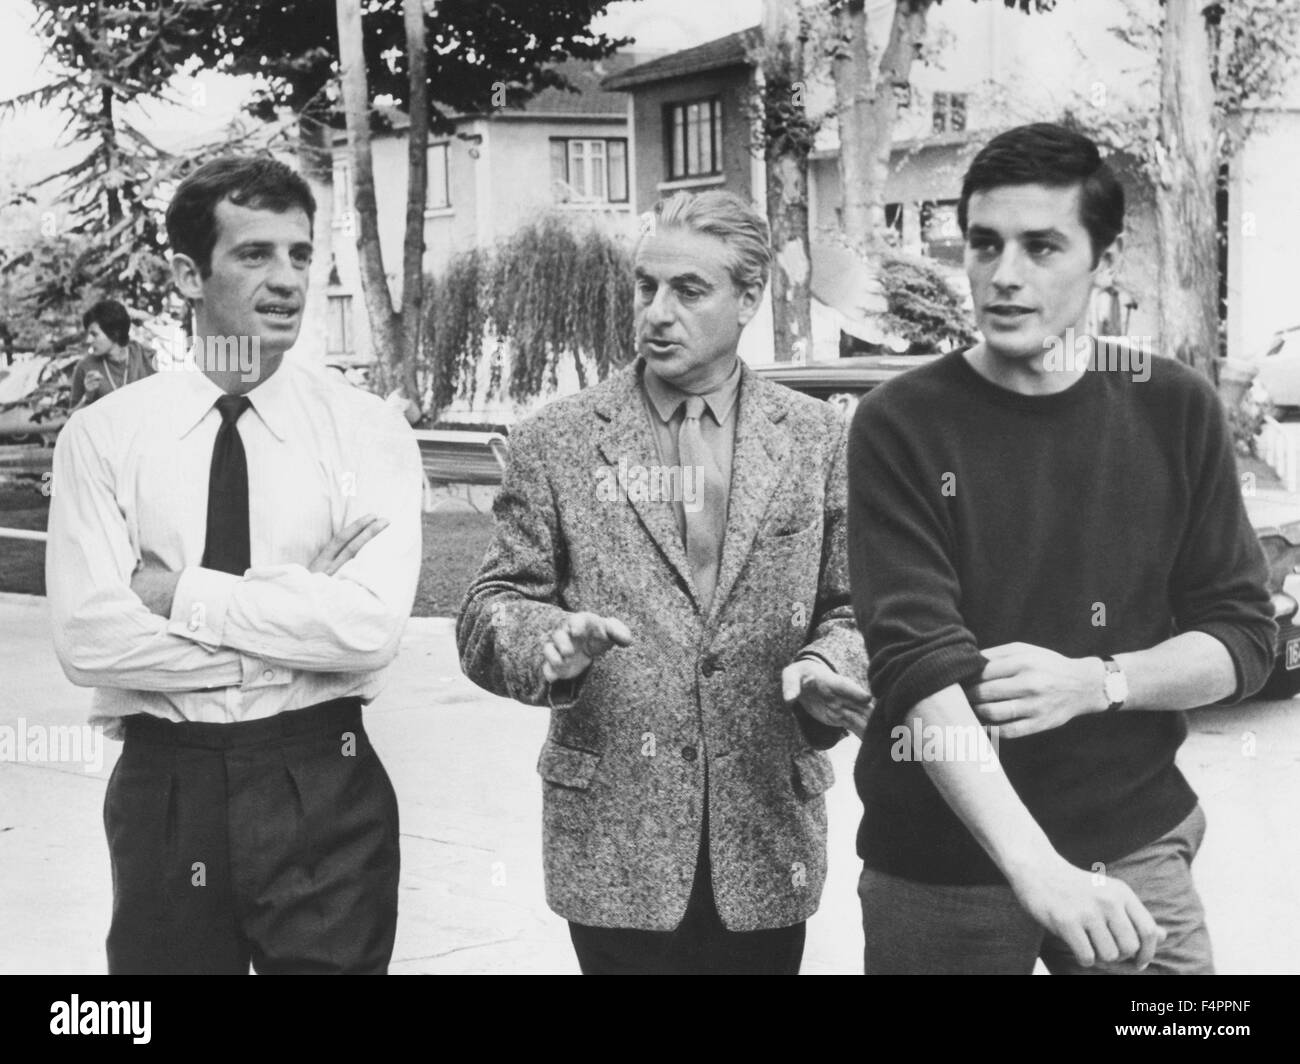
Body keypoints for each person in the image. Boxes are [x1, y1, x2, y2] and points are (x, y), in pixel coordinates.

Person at [846, 123, 1276, 975]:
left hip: (1133, 844)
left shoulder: (1176, 409)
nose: (1005, 276)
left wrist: (1096, 682)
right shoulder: (900, 423)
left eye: (1042, 247)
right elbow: (918, 672)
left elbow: (1244, 640)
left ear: (1104, 261)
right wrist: (1037, 869)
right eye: (984, 244)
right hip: (940, 866)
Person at [457, 189, 872, 975]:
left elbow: (854, 606)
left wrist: (826, 668)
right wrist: (545, 640)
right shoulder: (558, 440)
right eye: (645, 286)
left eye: (688, 290)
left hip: (764, 830)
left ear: (749, 298)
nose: (656, 311)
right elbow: (487, 610)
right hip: (616, 845)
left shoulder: (820, 439)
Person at [45, 156, 424, 974]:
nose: (287, 279)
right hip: (167, 789)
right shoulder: (105, 440)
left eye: (299, 253)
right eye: (255, 254)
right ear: (190, 273)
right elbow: (89, 643)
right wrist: (298, 610)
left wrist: (178, 594)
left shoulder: (368, 434)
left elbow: (367, 630)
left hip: (324, 779)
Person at [70, 299, 156, 407]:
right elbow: (72, 419)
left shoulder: (144, 356)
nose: (89, 340)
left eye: (94, 334)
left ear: (114, 333)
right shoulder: (85, 367)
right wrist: (87, 396)